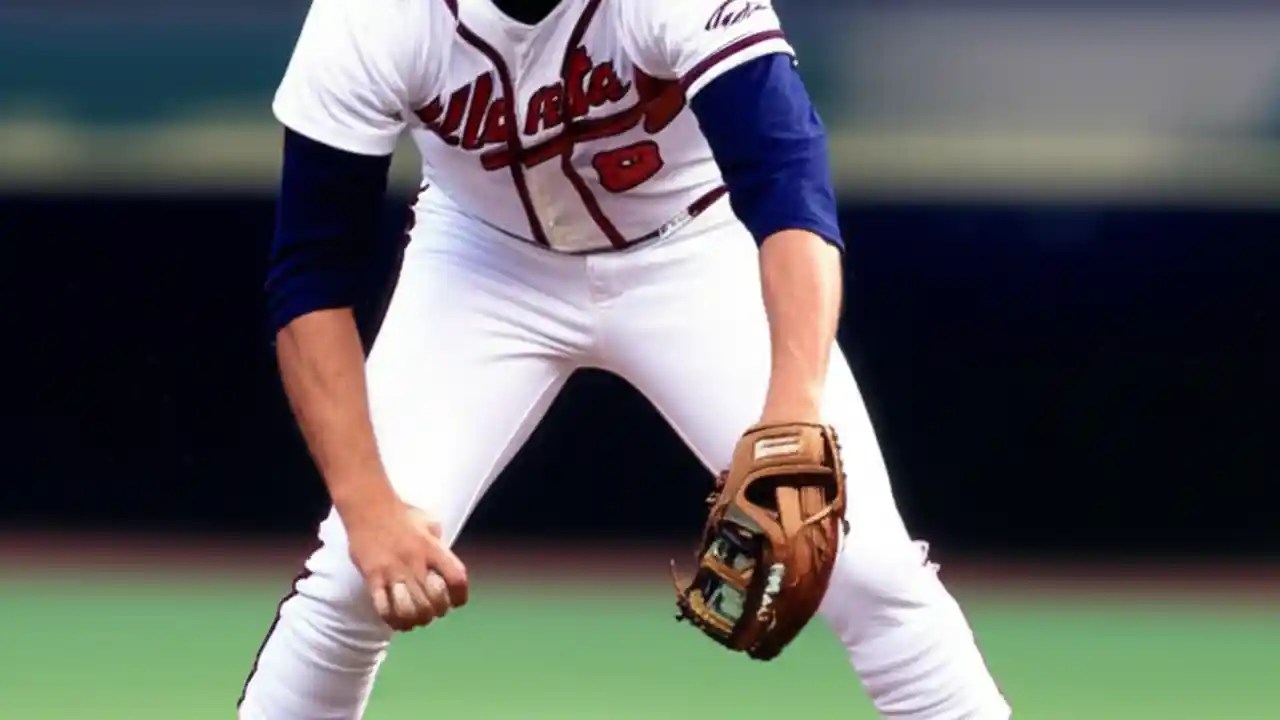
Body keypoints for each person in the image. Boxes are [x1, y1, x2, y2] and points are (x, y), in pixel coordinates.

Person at [238, 0, 1011, 717]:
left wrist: (792, 409)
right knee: (351, 577)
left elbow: (787, 182)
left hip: (691, 245)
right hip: (481, 264)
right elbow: (310, 276)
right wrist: (369, 508)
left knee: (869, 568)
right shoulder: (373, 16)